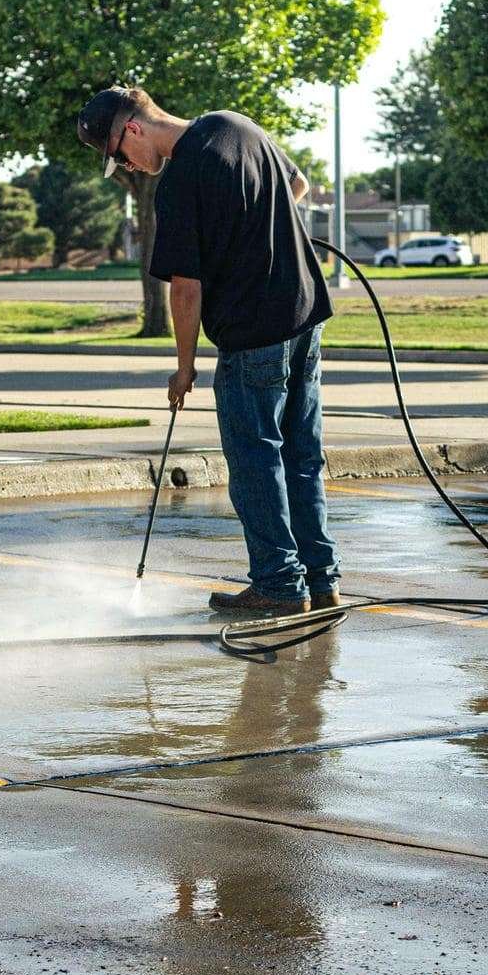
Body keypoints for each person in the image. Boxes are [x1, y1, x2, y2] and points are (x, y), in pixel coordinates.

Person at [77, 85, 341, 617]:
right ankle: (321, 582)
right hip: (304, 317)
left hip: (251, 333)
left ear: (131, 129)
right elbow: (298, 183)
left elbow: (186, 286)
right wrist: (259, 231)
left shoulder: (182, 181)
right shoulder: (234, 124)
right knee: (301, 458)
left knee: (254, 462)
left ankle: (279, 587)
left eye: (119, 156)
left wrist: (183, 367)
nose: (128, 167)